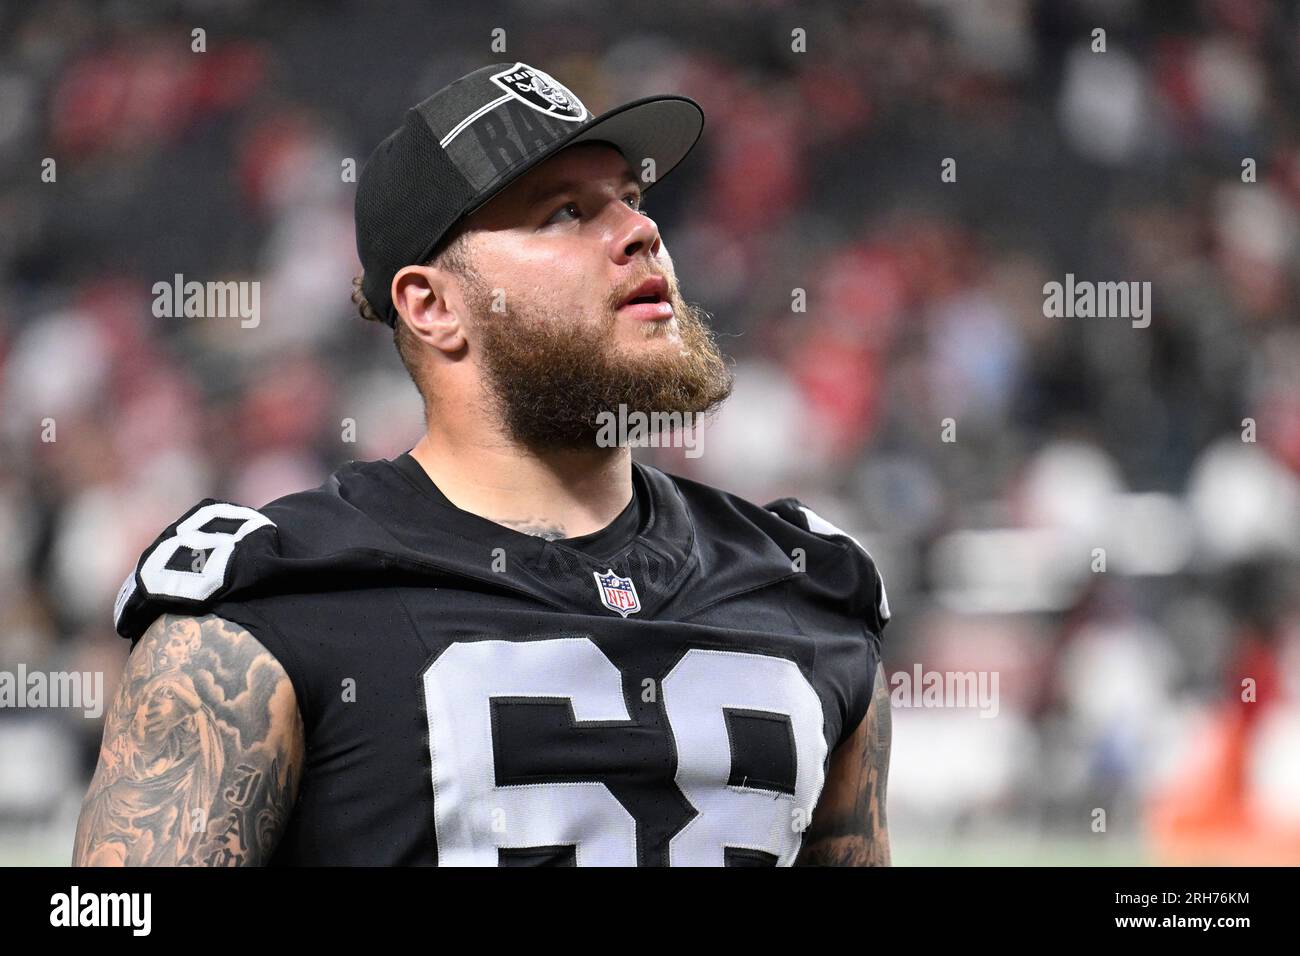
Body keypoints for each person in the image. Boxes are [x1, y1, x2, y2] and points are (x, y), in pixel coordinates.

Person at [74, 62, 892, 866]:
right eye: (565, 213)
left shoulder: (805, 589)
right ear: (432, 306)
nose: (641, 232)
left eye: (632, 201)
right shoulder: (271, 608)